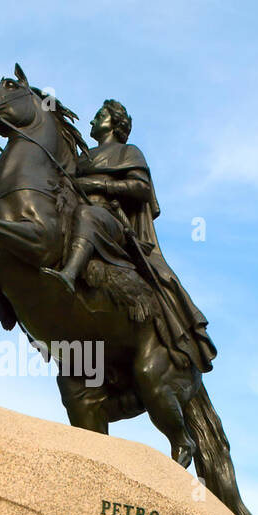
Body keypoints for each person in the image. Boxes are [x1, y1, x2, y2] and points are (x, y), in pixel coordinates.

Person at [43, 100, 217, 374]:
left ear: (115, 122)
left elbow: (141, 188)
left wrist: (98, 184)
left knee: (88, 216)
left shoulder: (128, 152)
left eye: (99, 115)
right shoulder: (81, 157)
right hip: (77, 215)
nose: (92, 121)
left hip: (110, 222)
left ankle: (69, 274)